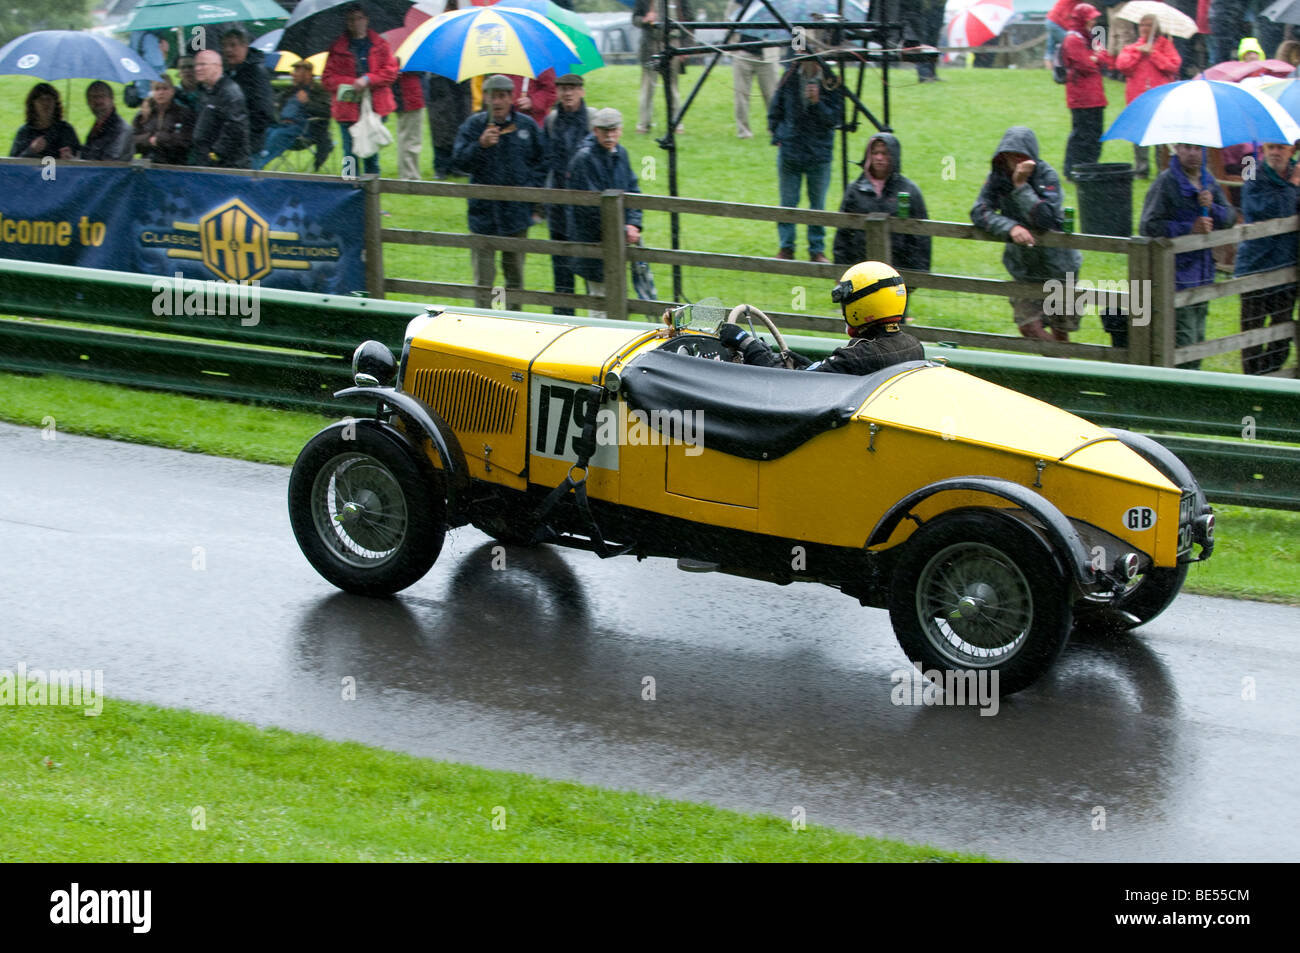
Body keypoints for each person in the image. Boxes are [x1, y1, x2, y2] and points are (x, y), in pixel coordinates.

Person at [971, 126, 1082, 342]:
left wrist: (1020, 186)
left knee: (1062, 328)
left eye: (1020, 156)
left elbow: (1045, 219)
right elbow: (979, 211)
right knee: (1028, 326)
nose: (1015, 162)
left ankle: (1060, 371)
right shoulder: (997, 177)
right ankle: (1063, 364)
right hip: (1024, 267)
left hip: (1059, 266)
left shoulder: (1047, 175)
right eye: (1010, 157)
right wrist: (1011, 227)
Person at [719, 261, 925, 373]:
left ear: (860, 306)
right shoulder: (913, 346)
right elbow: (825, 373)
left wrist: (748, 344)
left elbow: (791, 389)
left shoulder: (859, 356)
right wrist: (803, 364)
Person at [451, 74, 546, 308]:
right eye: (492, 96)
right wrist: (480, 146)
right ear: (485, 98)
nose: (497, 102)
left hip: (516, 214)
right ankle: (484, 320)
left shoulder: (526, 126)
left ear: (511, 97)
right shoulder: (474, 125)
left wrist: (531, 196)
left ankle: (514, 319)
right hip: (483, 214)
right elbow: (458, 161)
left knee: (514, 273)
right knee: (484, 277)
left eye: (502, 96)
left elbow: (542, 162)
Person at [1139, 142, 1235, 369]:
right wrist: (1188, 229)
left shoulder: (1208, 180)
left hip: (1203, 274)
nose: (1192, 153)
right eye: (1186, 148)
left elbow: (1230, 217)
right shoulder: (1166, 182)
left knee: (1198, 341)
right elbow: (1148, 226)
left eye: (1197, 148)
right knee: (1184, 341)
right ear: (1176, 150)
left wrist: (1212, 208)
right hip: (1176, 276)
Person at [564, 108, 643, 319]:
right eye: (604, 130)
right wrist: (622, 229)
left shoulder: (621, 154)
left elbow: (633, 191)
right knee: (600, 302)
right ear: (595, 130)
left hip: (617, 241)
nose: (609, 135)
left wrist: (634, 224)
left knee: (615, 297)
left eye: (614, 130)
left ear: (620, 130)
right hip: (594, 244)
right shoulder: (584, 159)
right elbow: (588, 208)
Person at [1233, 141, 1298, 374]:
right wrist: (1292, 187)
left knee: (1282, 332)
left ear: (1293, 149)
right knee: (1252, 332)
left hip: (1287, 266)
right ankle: (1253, 383)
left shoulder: (1297, 171)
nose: (1275, 153)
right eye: (1271, 147)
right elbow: (1267, 211)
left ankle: (1271, 378)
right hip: (1256, 265)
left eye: (1281, 147)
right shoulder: (1251, 170)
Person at [832, 134, 932, 284]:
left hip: (898, 272)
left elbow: (922, 236)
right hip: (860, 271)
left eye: (884, 153)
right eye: (875, 153)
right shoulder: (855, 190)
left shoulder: (909, 190)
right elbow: (843, 233)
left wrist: (919, 272)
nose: (879, 158)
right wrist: (840, 269)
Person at [768, 60, 842, 262]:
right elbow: (776, 109)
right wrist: (779, 136)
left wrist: (818, 103)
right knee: (788, 204)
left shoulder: (831, 81)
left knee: (817, 205)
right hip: (791, 150)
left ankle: (816, 250)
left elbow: (835, 118)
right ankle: (786, 248)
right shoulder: (789, 76)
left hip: (819, 154)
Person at [322, 3, 398, 176]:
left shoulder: (380, 44)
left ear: (367, 19)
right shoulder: (337, 48)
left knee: (370, 150)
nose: (355, 23)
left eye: (359, 18)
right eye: (351, 20)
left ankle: (372, 190)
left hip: (374, 107)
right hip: (347, 108)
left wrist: (367, 79)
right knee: (349, 152)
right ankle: (349, 185)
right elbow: (327, 79)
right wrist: (351, 82)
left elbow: (391, 72)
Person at [544, 73, 593, 315]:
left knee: (591, 265)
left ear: (582, 91)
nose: (568, 93)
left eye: (573, 88)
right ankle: (563, 319)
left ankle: (599, 322)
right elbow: (545, 161)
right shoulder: (552, 120)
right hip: (559, 206)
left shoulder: (593, 119)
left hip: (586, 207)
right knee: (561, 269)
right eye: (563, 88)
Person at [1116, 13, 1180, 177]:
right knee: (1140, 134)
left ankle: (1163, 168)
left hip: (1160, 97)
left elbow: (1173, 66)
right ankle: (1141, 168)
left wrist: (1153, 53)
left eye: (1149, 25)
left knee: (1161, 134)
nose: (1144, 28)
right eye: (1142, 25)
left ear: (1156, 27)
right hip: (1138, 97)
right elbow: (1122, 66)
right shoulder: (1132, 47)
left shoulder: (1165, 45)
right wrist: (1139, 53)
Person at [1061, 2, 1114, 181]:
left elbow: (1105, 58)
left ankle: (1089, 166)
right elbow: (1086, 65)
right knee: (1082, 134)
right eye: (1091, 19)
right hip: (1082, 96)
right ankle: (1074, 168)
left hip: (1094, 95)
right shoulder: (1073, 39)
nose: (1094, 22)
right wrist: (1096, 57)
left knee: (1094, 134)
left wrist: (1096, 56)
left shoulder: (1091, 36)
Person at [253, 60, 332, 171]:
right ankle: (251, 163)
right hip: (282, 125)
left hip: (303, 130)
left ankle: (256, 167)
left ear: (308, 74)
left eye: (297, 71)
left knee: (277, 135)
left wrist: (307, 103)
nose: (292, 74)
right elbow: (276, 104)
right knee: (263, 132)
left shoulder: (319, 91)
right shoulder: (291, 91)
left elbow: (327, 112)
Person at [633, 0, 692, 134]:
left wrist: (686, 47)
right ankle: (644, 124)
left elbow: (689, 22)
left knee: (672, 88)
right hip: (650, 46)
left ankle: (676, 124)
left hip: (673, 43)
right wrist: (645, 19)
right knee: (647, 88)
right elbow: (635, 19)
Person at [726, 0, 778, 138]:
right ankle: (743, 131)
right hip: (742, 52)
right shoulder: (737, 2)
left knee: (772, 95)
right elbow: (728, 23)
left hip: (767, 52)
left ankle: (774, 129)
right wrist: (733, 49)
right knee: (741, 95)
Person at [190, 48, 250, 168]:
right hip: (208, 162)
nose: (197, 69)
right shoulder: (207, 92)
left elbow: (235, 127)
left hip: (228, 165)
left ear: (217, 66)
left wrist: (215, 154)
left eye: (202, 64)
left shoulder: (229, 91)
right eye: (196, 65)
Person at [221, 26, 275, 155]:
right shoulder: (228, 72)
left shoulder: (256, 72)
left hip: (249, 142)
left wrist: (246, 134)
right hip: (231, 140)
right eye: (225, 46)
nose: (228, 50)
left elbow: (263, 110)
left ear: (245, 46)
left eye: (233, 45)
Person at [132, 73, 195, 165]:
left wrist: (160, 139)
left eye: (165, 88)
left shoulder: (183, 113)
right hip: (148, 164)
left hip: (175, 165)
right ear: (152, 92)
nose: (161, 92)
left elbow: (185, 141)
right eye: (157, 89)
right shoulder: (144, 115)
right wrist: (149, 140)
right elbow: (132, 140)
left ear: (172, 91)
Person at [9, 83, 79, 159]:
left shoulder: (66, 130)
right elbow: (13, 164)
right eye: (41, 100)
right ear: (33, 104)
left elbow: (80, 161)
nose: (45, 104)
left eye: (49, 99)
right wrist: (31, 150)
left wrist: (70, 158)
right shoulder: (25, 132)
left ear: (55, 103)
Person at [81, 81, 134, 161]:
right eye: (93, 97)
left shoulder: (121, 129)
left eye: (102, 96)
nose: (98, 101)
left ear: (112, 99)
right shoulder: (97, 127)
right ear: (88, 102)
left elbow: (109, 162)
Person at [393, 70, 425, 180]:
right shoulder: (406, 58)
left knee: (406, 138)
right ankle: (410, 177)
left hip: (407, 97)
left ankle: (408, 175)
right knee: (411, 140)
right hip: (410, 97)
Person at [1046, 0, 1075, 69]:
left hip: (1052, 21)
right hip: (1056, 23)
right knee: (1070, 45)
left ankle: (1050, 70)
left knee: (1051, 49)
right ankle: (1069, 68)